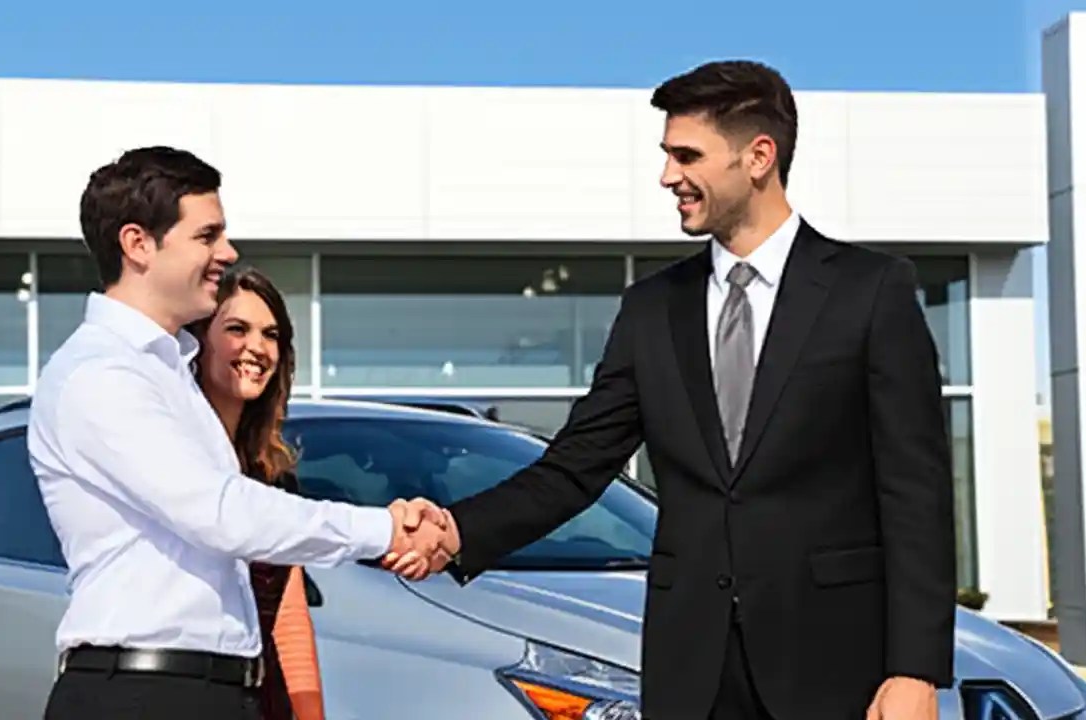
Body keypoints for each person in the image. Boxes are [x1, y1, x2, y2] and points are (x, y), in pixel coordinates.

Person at [394, 60, 957, 720]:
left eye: (686, 156)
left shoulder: (871, 292)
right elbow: (575, 467)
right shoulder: (651, 310)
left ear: (758, 157)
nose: (668, 177)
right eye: (666, 156)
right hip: (692, 672)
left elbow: (915, 493)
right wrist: (457, 530)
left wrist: (915, 669)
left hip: (835, 672)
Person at [29, 146, 445, 720]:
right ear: (138, 244)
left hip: (208, 692)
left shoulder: (169, 370)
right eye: (207, 236)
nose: (227, 252)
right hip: (144, 696)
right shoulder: (102, 373)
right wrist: (386, 529)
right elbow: (222, 514)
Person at [185, 265, 328, 720]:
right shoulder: (171, 460)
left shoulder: (274, 480)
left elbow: (288, 620)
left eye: (270, 334)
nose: (257, 347)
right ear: (199, 341)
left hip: (263, 702)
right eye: (236, 329)